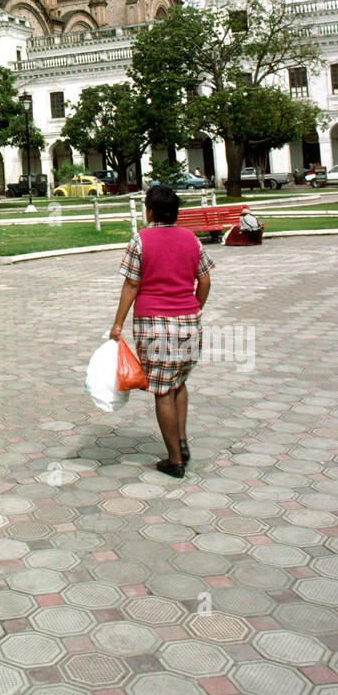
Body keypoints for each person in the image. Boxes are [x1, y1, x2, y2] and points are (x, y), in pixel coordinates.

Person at [110, 183, 214, 479]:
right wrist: (194, 307)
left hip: (154, 324)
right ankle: (181, 441)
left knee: (162, 391)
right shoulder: (192, 239)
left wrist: (117, 323)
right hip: (189, 322)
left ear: (150, 211)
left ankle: (174, 460)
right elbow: (204, 280)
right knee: (179, 382)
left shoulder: (140, 240)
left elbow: (131, 284)